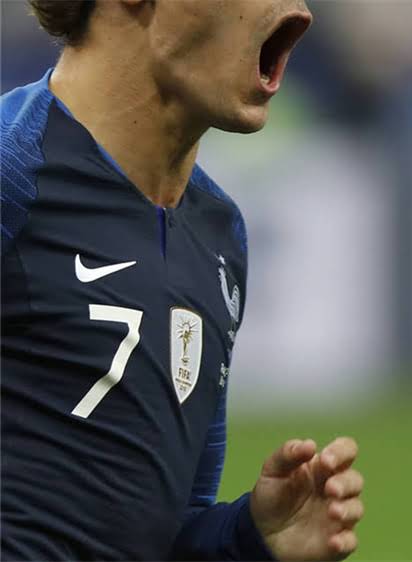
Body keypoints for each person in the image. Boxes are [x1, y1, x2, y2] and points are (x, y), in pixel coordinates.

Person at [0, 0, 365, 560]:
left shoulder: (220, 234)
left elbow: (167, 532)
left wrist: (250, 538)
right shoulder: (12, 174)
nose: (299, 10)